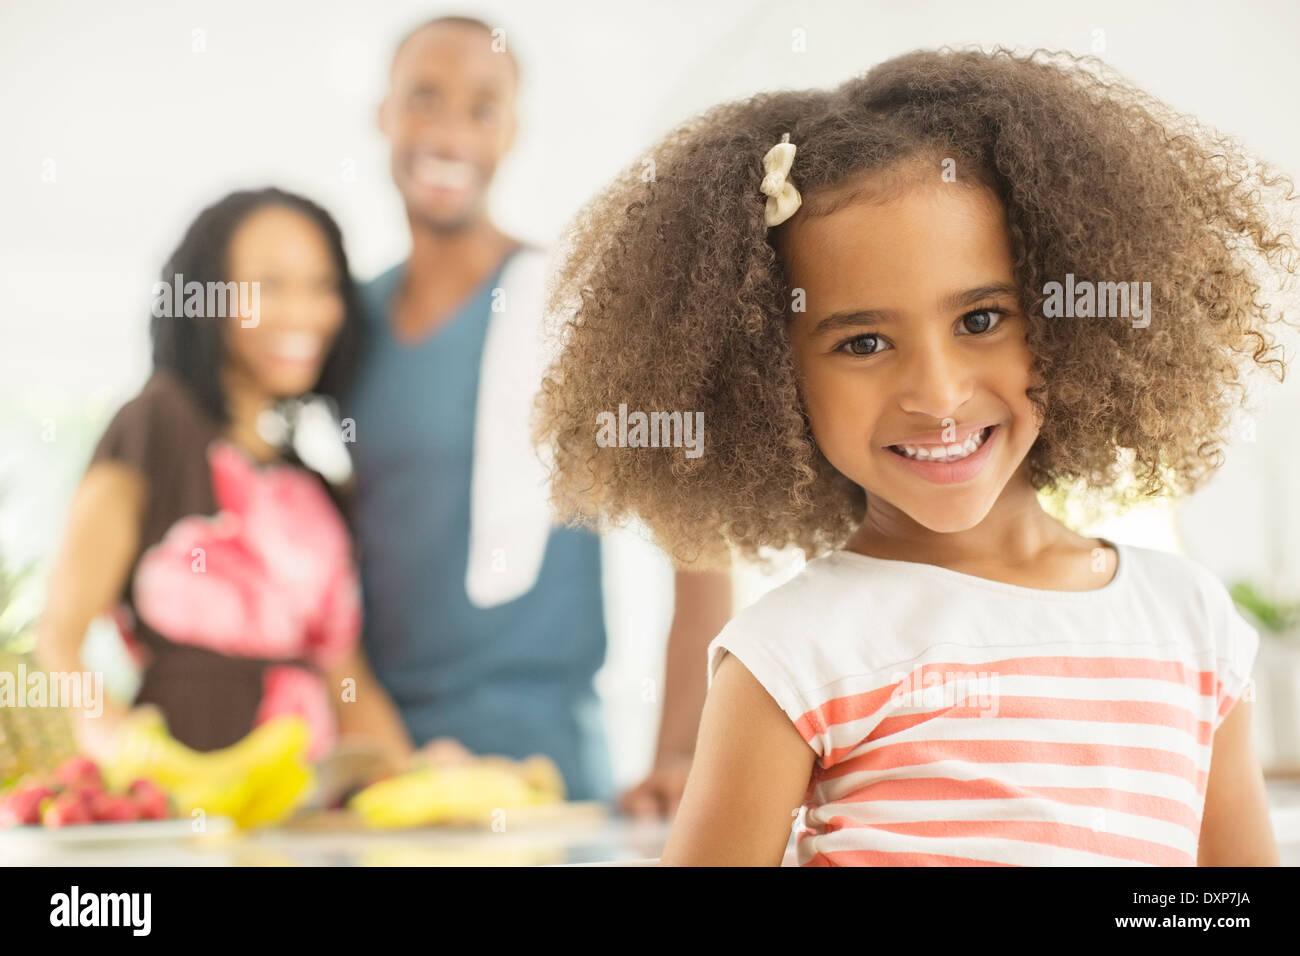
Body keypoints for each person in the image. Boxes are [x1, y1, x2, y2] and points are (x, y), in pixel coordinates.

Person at [534, 49, 1294, 865]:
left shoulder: (1191, 623)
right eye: (863, 341)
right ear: (770, 380)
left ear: (1065, 317)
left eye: (980, 320)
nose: (936, 393)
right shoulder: (789, 658)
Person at [346, 15, 731, 807]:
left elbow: (700, 546)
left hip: (546, 782)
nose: (450, 127)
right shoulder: (347, 325)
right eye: (424, 96)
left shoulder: (571, 310)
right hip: (379, 780)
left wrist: (680, 759)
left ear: (512, 132)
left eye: (483, 106)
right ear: (382, 114)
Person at [37, 188, 412, 768]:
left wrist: (417, 782)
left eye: (322, 286)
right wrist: (131, 760)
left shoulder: (308, 484)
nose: (302, 312)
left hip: (306, 829)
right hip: (187, 828)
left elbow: (347, 680)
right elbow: (57, 644)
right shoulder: (155, 425)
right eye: (269, 286)